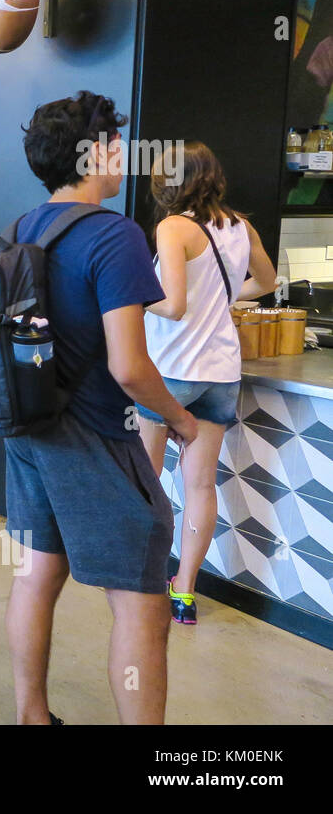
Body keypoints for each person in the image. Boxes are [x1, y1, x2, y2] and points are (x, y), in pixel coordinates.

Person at [2, 91, 199, 726]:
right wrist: (182, 419)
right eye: (116, 144)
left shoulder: (23, 227)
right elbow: (130, 366)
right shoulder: (114, 235)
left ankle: (33, 716)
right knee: (143, 601)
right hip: (92, 436)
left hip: (27, 429)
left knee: (36, 576)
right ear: (98, 154)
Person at [138, 141, 277, 626]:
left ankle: (142, 579)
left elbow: (172, 306)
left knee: (146, 480)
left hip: (170, 371)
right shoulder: (241, 225)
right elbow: (267, 282)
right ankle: (186, 593)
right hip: (220, 374)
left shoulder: (173, 227)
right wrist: (219, 300)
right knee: (199, 484)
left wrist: (131, 295)